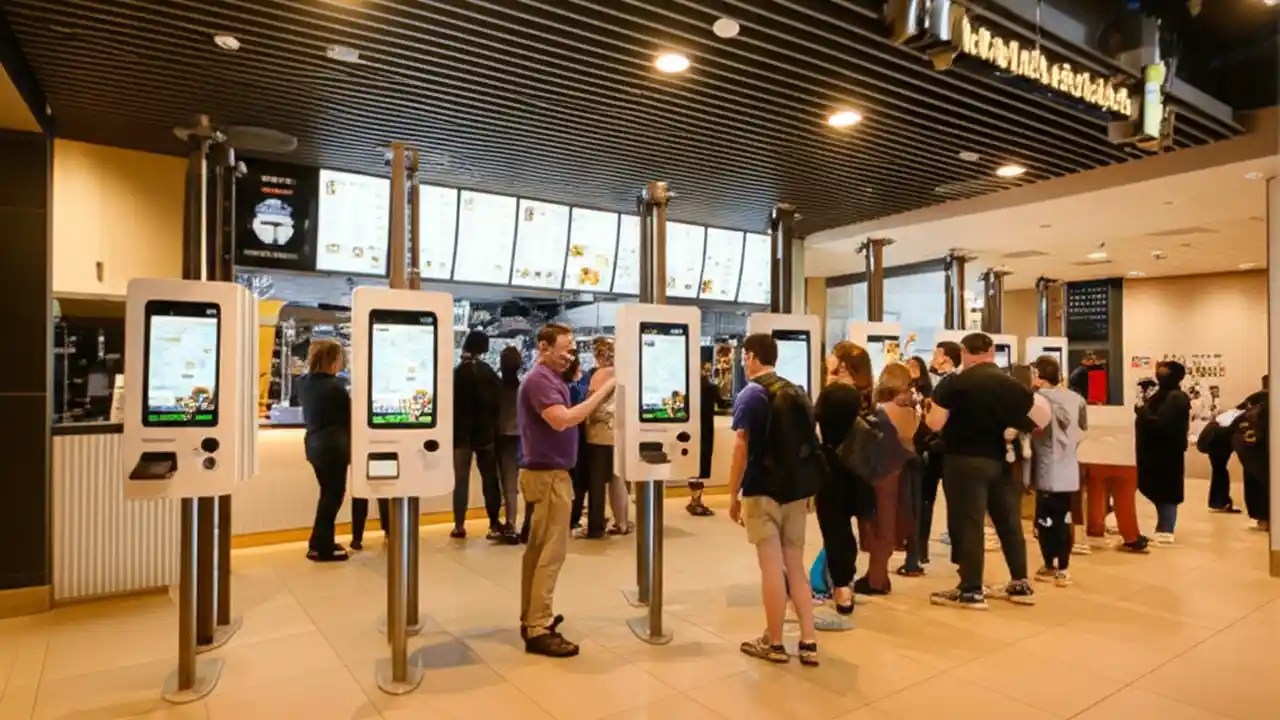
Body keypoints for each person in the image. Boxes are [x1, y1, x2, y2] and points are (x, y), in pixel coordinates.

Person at [926, 332, 1050, 610]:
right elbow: (1040, 419)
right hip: (1001, 459)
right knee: (1008, 521)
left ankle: (971, 589)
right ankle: (1019, 583)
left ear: (964, 352)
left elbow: (935, 423)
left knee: (968, 522)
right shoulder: (1010, 384)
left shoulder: (954, 383)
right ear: (992, 351)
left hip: (963, 460)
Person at [518, 323, 615, 657]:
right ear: (544, 348)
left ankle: (533, 616)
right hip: (548, 477)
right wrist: (606, 388)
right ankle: (538, 627)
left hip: (551, 474)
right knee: (550, 554)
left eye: (574, 350)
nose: (571, 356)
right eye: (566, 350)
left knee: (538, 551)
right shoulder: (539, 381)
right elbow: (562, 419)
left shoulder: (551, 379)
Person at [729, 333, 820, 667]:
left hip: (762, 490)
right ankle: (808, 641)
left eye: (743, 356)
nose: (742, 361)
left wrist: (732, 494)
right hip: (796, 492)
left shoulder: (751, 395)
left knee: (770, 566)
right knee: (795, 565)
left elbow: (741, 447)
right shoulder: (796, 391)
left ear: (752, 357)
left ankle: (776, 642)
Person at [814, 341, 873, 617]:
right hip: (863, 474)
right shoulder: (867, 396)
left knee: (836, 531)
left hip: (832, 474)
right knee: (850, 532)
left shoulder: (833, 395)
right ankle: (847, 581)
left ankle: (841, 586)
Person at [856, 363, 919, 595]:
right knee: (891, 526)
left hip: (880, 472)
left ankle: (876, 579)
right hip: (902, 473)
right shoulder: (910, 412)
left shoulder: (881, 409)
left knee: (878, 526)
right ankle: (879, 576)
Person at [1029, 356, 1087, 587]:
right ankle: (1064, 567)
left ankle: (1050, 565)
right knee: (1064, 518)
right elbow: (1083, 429)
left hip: (1045, 469)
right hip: (1069, 468)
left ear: (1038, 375)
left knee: (1044, 521)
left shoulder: (1036, 400)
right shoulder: (1077, 399)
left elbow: (1029, 429)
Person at [298, 339, 352, 562]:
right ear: (334, 360)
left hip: (313, 444)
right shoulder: (335, 387)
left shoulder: (304, 383)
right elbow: (350, 417)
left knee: (326, 494)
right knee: (333, 496)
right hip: (333, 447)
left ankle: (322, 540)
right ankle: (321, 545)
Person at [451, 331, 505, 541]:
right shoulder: (488, 372)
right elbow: (497, 401)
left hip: (461, 436)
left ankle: (458, 525)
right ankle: (493, 521)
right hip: (485, 435)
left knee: (460, 480)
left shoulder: (457, 372)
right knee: (490, 479)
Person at [1135, 360, 1191, 545]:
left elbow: (1161, 424)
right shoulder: (1161, 395)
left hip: (1167, 455)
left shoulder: (1176, 398)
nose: (1160, 375)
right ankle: (1163, 526)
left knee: (1167, 493)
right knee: (1158, 490)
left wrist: (1142, 412)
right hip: (1153, 454)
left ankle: (1166, 529)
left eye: (1164, 372)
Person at [917, 341, 961, 563]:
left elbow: (934, 420)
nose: (933, 358)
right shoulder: (931, 382)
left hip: (941, 447)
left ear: (948, 359)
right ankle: (922, 550)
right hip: (942, 449)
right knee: (930, 500)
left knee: (935, 499)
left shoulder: (952, 384)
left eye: (937, 354)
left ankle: (927, 551)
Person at [582, 338, 618, 539]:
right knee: (614, 481)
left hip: (597, 433)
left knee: (596, 482)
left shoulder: (600, 375)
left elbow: (591, 405)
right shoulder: (622, 374)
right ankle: (619, 520)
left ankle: (595, 525)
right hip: (615, 433)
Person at [1233, 376, 1269, 531]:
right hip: (1262, 449)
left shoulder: (1251, 401)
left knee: (1255, 483)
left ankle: (1261, 519)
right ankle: (1266, 519)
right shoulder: (1269, 402)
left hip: (1248, 448)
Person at [495, 346, 524, 542]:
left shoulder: (497, 388)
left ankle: (507, 522)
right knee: (513, 482)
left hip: (502, 436)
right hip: (520, 436)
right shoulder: (522, 387)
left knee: (504, 481)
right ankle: (513, 521)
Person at [689, 362, 721, 516]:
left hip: (690, 429)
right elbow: (721, 403)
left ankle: (694, 498)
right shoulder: (711, 388)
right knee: (703, 463)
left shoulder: (688, 387)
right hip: (706, 429)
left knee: (693, 463)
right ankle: (697, 500)